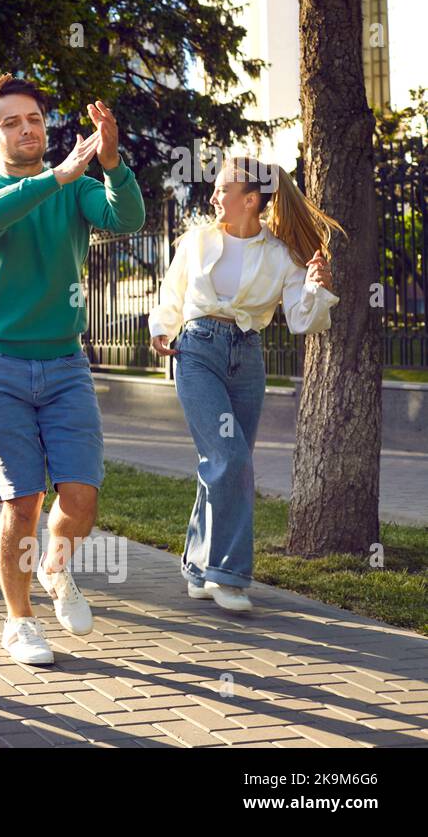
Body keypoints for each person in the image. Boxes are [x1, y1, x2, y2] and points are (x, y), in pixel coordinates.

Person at [0, 74, 146, 665]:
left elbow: (128, 218)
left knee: (82, 499)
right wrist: (53, 177)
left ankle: (56, 568)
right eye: (12, 121)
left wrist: (111, 163)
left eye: (34, 118)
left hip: (65, 362)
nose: (27, 129)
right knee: (22, 500)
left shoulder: (73, 187)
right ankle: (19, 622)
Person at [150, 156, 341, 613]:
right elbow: (173, 290)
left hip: (246, 357)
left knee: (221, 463)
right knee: (229, 457)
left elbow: (301, 320)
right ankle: (228, 575)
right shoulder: (196, 241)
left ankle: (198, 569)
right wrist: (162, 326)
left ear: (250, 199)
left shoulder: (280, 253)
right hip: (197, 352)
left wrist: (316, 288)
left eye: (222, 189)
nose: (213, 196)